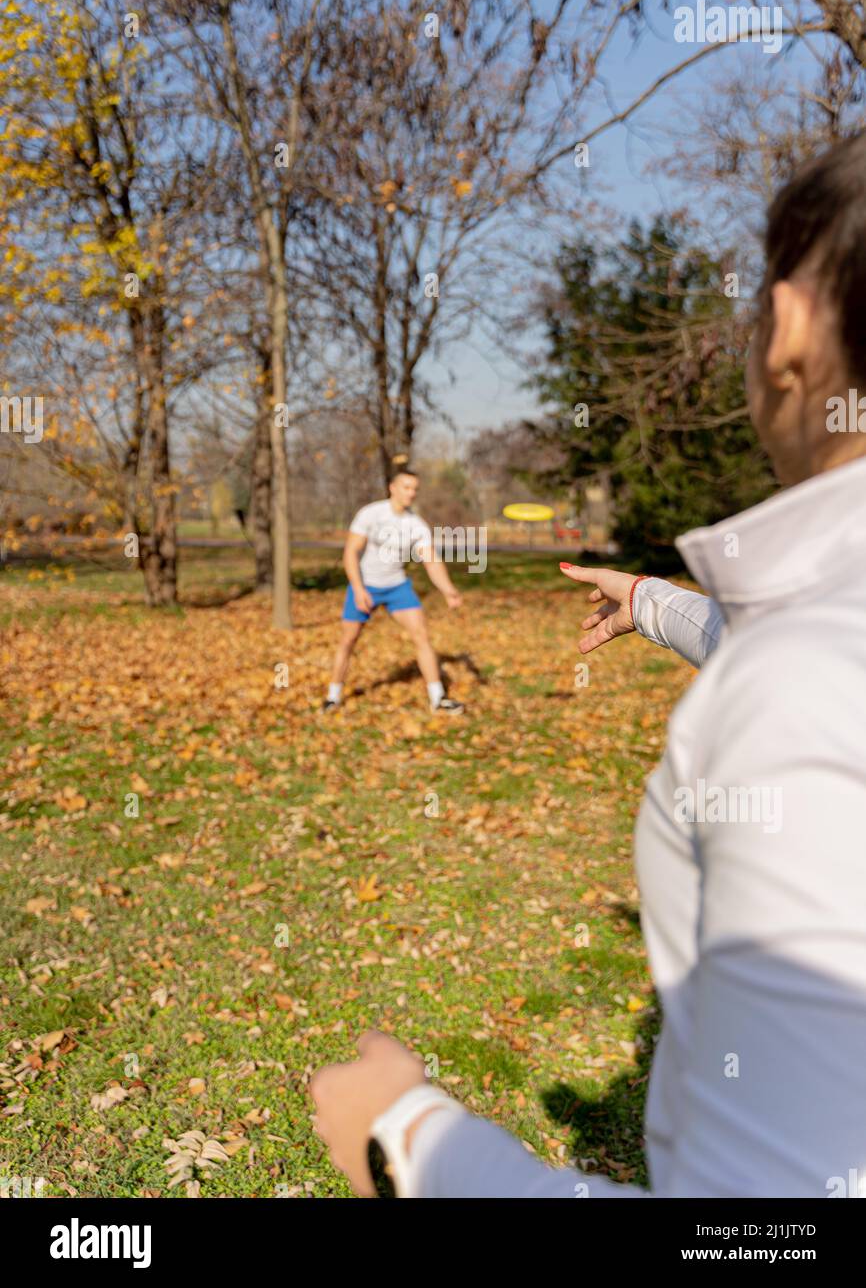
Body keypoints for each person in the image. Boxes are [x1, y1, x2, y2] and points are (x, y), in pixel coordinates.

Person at [311, 131, 866, 1196]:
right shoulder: (810, 661)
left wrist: (411, 1139)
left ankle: (411, 685)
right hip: (367, 584)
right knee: (351, 637)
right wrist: (658, 605)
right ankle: (340, 679)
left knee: (413, 635)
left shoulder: (797, 693)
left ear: (789, 325)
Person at [323, 467, 465, 714]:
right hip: (365, 584)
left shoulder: (416, 524)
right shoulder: (371, 514)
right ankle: (333, 696)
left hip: (397, 586)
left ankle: (438, 699)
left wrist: (448, 590)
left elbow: (431, 561)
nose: (411, 493)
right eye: (406, 487)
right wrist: (358, 589)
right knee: (348, 640)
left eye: (414, 489)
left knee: (421, 634)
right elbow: (350, 552)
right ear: (393, 487)